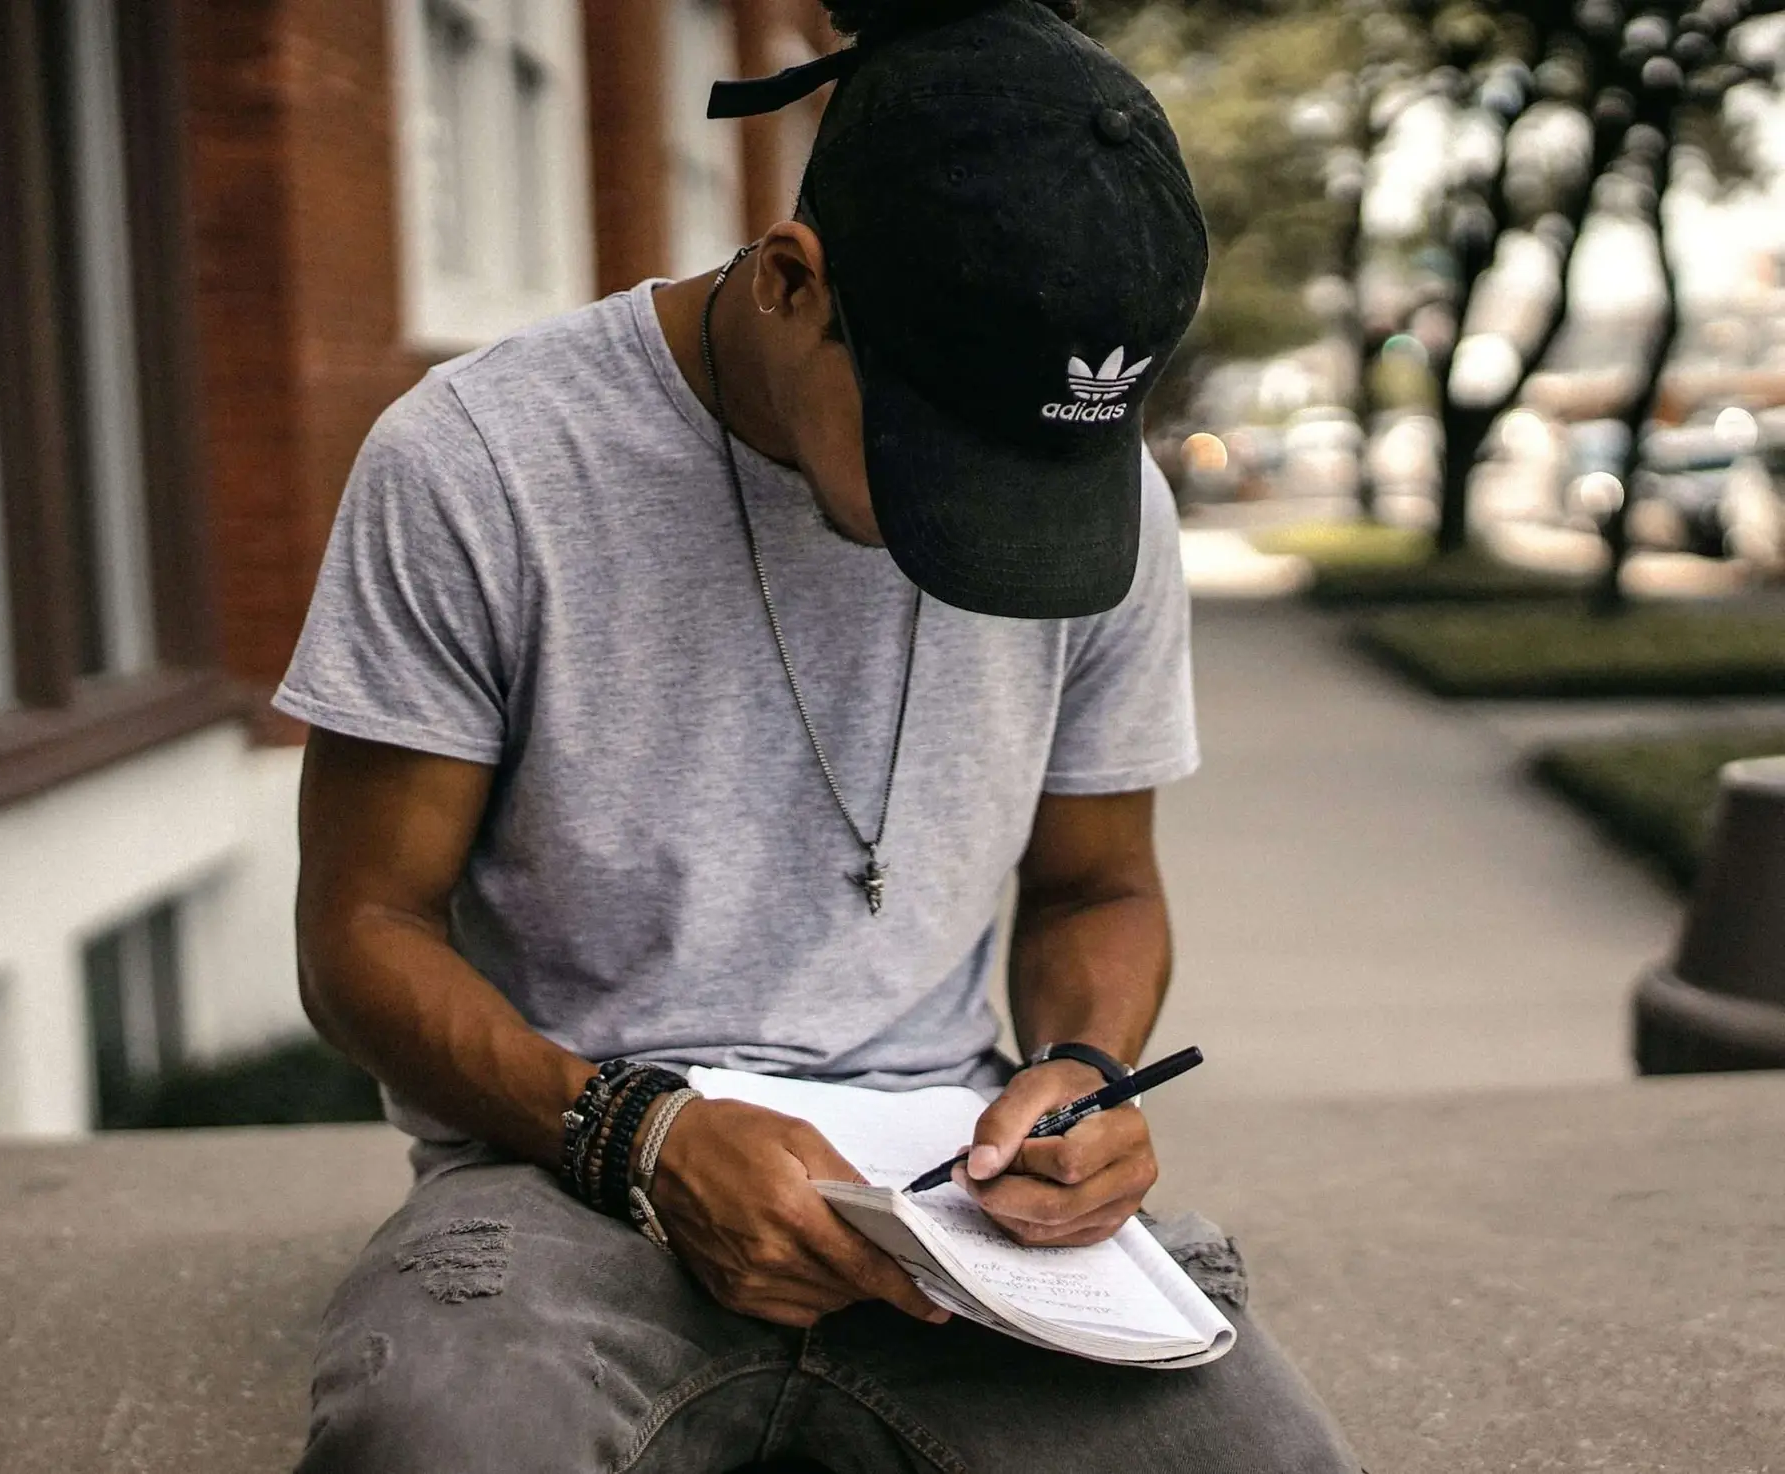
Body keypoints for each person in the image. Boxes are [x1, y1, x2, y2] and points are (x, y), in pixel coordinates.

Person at [278, 1, 1361, 1469]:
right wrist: (638, 1133)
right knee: (450, 1441)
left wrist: (1083, 1068)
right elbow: (361, 926)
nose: (992, 525)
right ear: (794, 281)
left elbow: (1100, 879)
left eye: (1043, 469)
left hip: (951, 1190)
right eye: (946, 458)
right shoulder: (482, 460)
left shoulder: (1114, 511)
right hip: (569, 1160)